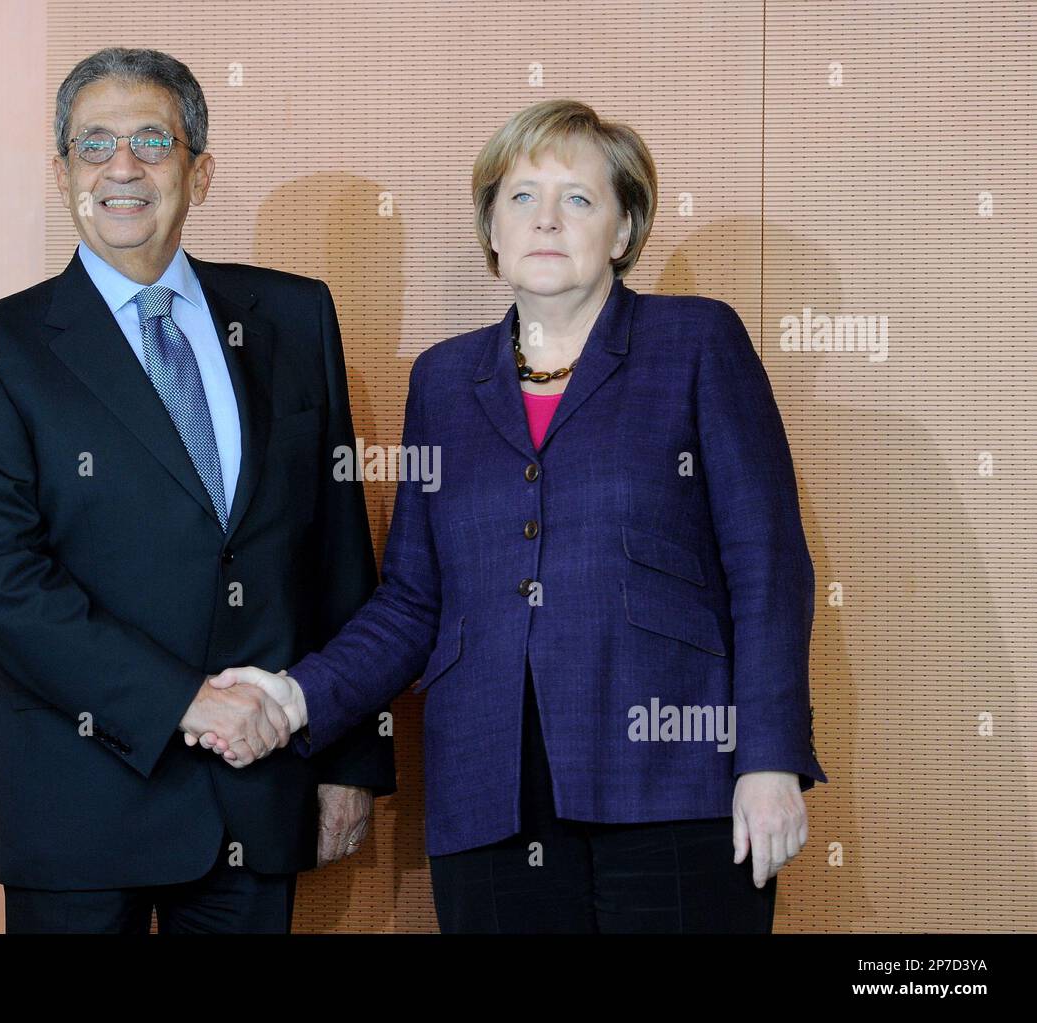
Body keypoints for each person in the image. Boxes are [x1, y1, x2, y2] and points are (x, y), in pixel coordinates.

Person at [190, 98, 828, 933]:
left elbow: (767, 565)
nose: (547, 220)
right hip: (489, 791)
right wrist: (291, 693)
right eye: (522, 197)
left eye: (579, 198)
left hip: (675, 784)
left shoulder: (696, 341)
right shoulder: (444, 381)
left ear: (625, 227)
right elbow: (412, 601)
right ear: (491, 228)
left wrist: (771, 758)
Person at [0, 47, 395, 934]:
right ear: (62, 171)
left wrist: (350, 758)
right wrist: (186, 699)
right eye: (94, 143)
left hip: (259, 794)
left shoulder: (295, 318)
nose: (123, 166)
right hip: (77, 800)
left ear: (200, 169)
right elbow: (5, 583)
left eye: (152, 138)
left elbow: (338, 551)